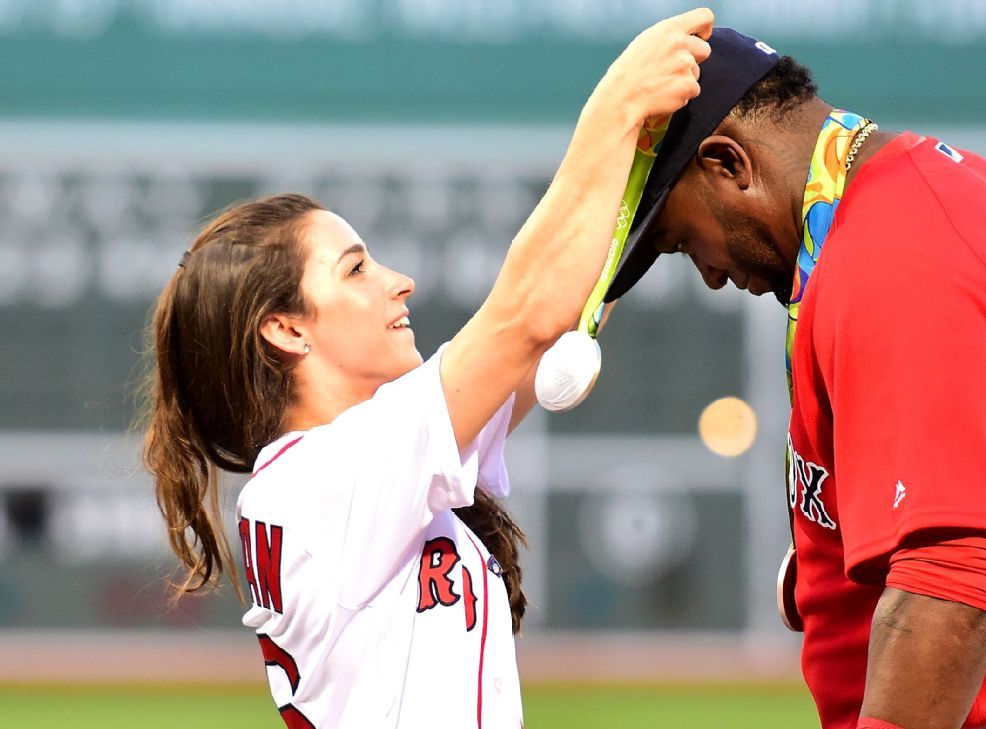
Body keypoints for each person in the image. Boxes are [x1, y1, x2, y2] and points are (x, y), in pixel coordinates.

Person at [602, 28, 986, 729]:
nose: (708, 272)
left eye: (685, 239)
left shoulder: (892, 250)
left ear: (729, 163)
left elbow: (950, 581)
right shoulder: (949, 197)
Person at [140, 10, 713, 728]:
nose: (398, 279)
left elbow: (548, 330)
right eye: (355, 269)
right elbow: (522, 318)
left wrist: (641, 173)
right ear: (285, 328)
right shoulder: (322, 481)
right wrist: (616, 103)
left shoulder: (356, 466)